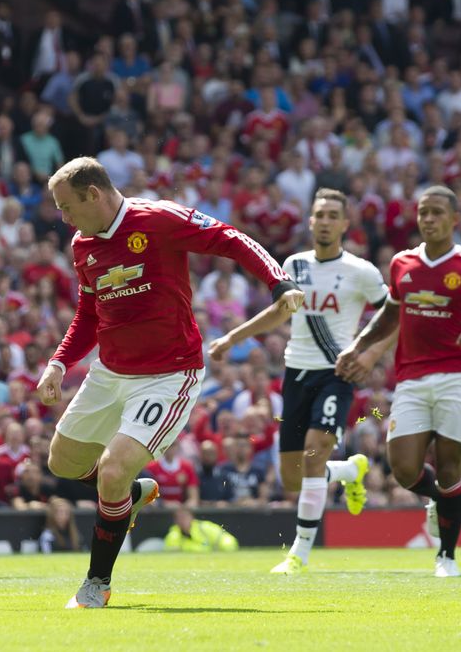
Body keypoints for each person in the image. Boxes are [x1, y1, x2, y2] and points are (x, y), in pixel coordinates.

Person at [36, 157, 303, 608]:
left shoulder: (157, 219)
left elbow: (230, 239)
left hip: (168, 374)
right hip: (110, 372)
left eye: (66, 206)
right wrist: (60, 362)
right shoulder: (83, 245)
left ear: (93, 195)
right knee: (62, 463)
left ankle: (95, 585)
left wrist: (278, 282)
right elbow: (88, 313)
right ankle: (130, 496)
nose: (63, 217)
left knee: (114, 470)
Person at [336, 185, 461, 578]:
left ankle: (447, 557)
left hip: (458, 377)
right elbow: (389, 315)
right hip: (412, 379)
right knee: (403, 469)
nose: (429, 219)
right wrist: (357, 346)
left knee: (451, 466)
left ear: (454, 219)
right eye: (423, 213)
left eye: (437, 212)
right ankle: (442, 502)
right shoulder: (403, 263)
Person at [209, 188, 391, 574]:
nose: (324, 221)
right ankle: (348, 470)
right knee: (294, 478)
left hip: (337, 373)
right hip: (296, 373)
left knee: (313, 451)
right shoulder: (294, 264)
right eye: (319, 214)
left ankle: (299, 554)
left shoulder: (361, 271)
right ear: (310, 221)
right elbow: (279, 312)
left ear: (344, 223)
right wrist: (232, 338)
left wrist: (370, 354)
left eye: (331, 215)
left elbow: (394, 314)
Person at [163, 506, 239, 553]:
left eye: (185, 517)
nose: (182, 521)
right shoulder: (173, 534)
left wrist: (225, 549)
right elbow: (171, 551)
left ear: (191, 517)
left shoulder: (205, 527)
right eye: (179, 518)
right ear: (176, 521)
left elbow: (226, 539)